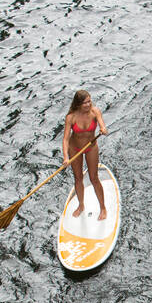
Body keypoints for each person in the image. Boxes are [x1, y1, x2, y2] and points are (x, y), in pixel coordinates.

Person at [63, 90, 108, 219]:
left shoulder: (95, 112)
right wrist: (66, 157)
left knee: (94, 178)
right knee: (78, 178)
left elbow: (102, 125)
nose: (88, 104)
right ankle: (81, 205)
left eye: (89, 101)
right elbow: (66, 139)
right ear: (78, 104)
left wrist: (103, 129)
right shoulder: (71, 117)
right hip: (75, 149)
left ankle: (103, 208)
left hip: (91, 147)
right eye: (85, 103)